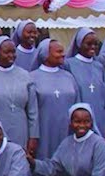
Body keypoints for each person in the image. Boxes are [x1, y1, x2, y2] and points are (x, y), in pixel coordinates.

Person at [0, 37, 40, 157]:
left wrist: (33, 136)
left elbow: (33, 110)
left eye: (13, 52)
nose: (11, 55)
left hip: (21, 130)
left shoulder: (25, 75)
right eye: (7, 52)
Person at [30, 38, 83, 167]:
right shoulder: (32, 77)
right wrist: (33, 136)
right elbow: (31, 112)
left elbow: (78, 104)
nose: (63, 54)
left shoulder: (69, 76)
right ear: (45, 55)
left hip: (68, 131)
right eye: (58, 51)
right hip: (44, 133)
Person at [65, 28, 105, 143]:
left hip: (100, 117)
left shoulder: (99, 66)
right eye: (88, 44)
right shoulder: (69, 64)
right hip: (79, 121)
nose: (93, 47)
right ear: (79, 44)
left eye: (95, 44)